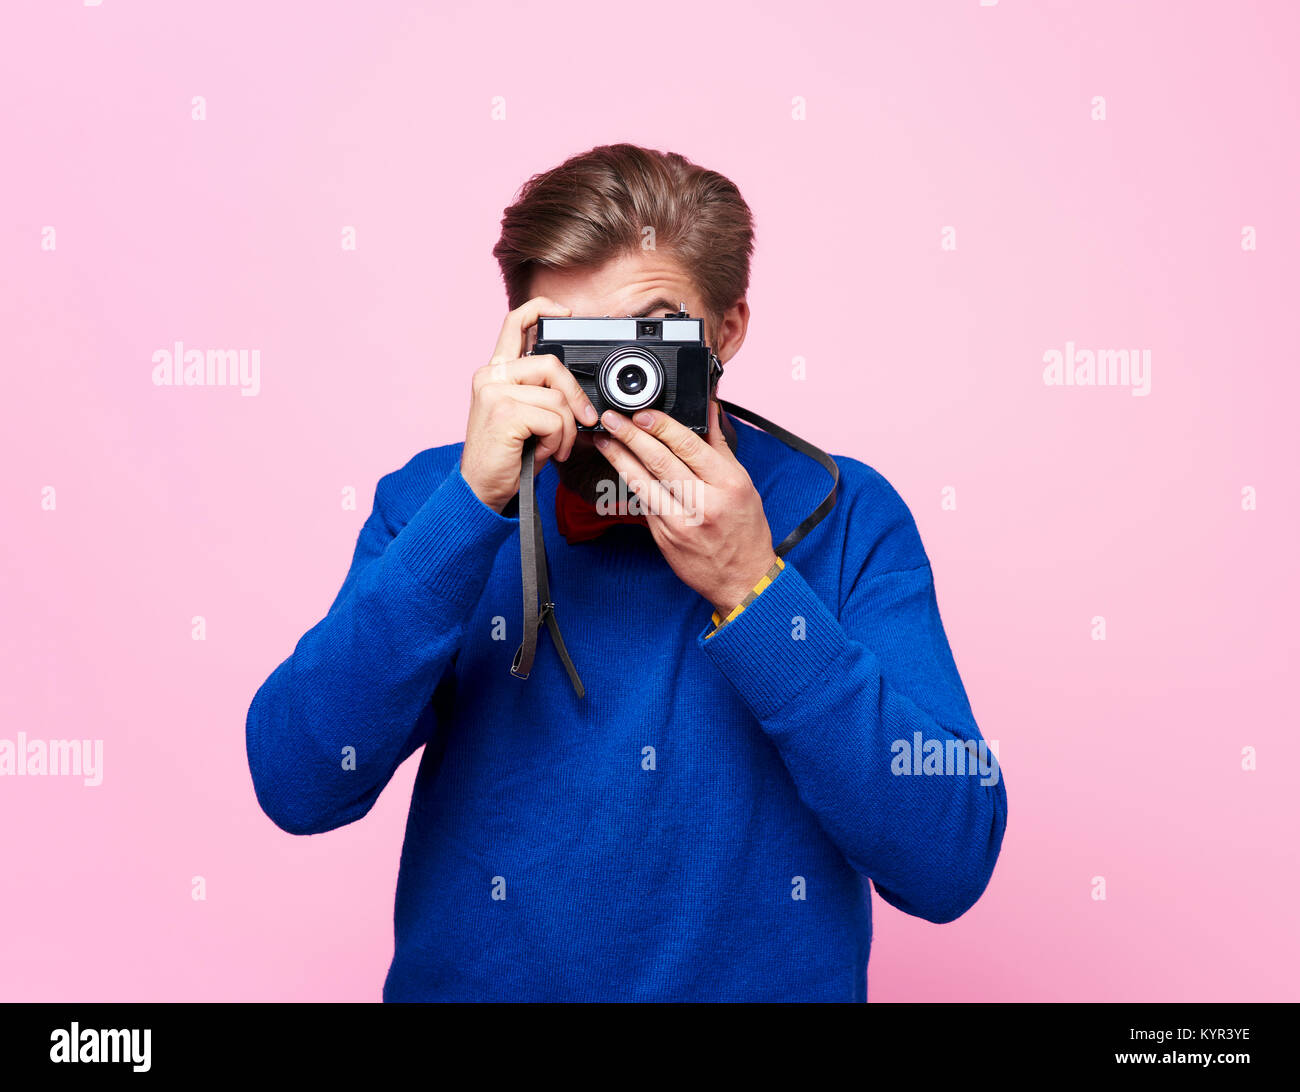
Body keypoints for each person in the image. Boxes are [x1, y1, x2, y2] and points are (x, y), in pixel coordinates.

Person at [245, 143, 1007, 1002]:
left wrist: (755, 591)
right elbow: (298, 784)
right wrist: (469, 509)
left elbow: (949, 863)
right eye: (575, 343)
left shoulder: (845, 513)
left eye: (649, 335)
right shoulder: (437, 502)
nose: (614, 381)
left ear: (727, 331)